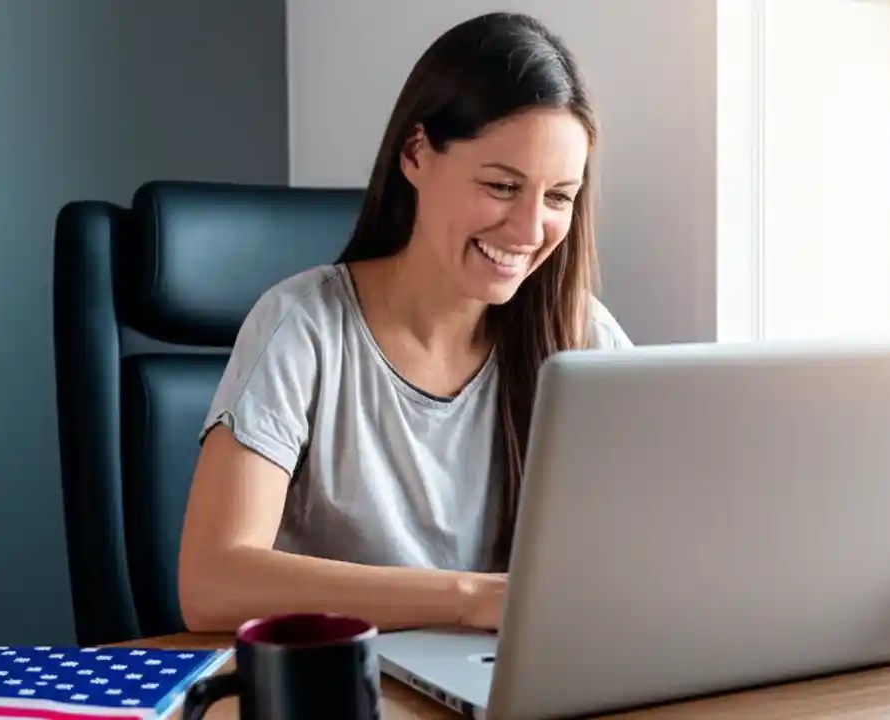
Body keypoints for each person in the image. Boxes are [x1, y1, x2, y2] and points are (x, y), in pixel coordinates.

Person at [177, 12, 630, 635]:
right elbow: (211, 581)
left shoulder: (582, 340)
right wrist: (472, 597)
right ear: (416, 153)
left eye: (557, 197)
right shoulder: (302, 329)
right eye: (501, 186)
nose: (529, 232)